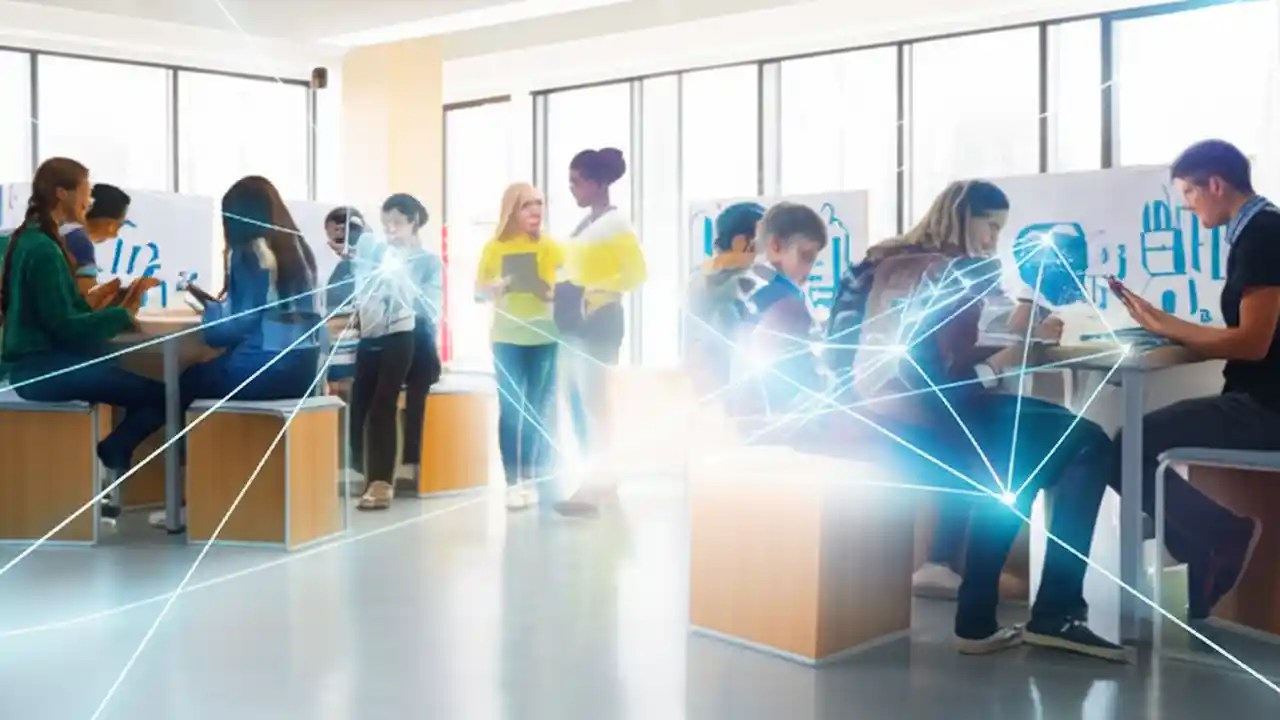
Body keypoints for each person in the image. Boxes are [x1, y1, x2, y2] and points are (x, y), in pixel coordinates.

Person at [821, 181, 1125, 661]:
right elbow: (936, 378)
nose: (992, 240)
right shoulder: (954, 271)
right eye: (991, 227)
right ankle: (1049, 613)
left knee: (1025, 454)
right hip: (924, 421)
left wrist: (1002, 345)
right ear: (964, 217)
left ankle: (984, 620)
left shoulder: (879, 261)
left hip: (864, 416)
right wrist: (1005, 358)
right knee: (1085, 441)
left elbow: (871, 354)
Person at [1112, 139, 1268, 620]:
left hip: (1265, 407)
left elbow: (1252, 343)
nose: (1186, 205)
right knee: (1135, 445)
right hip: (1261, 400)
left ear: (1215, 185)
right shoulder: (1260, 230)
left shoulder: (1264, 234)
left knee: (1124, 447)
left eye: (1189, 193)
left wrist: (1168, 327)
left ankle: (1222, 535)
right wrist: (1164, 325)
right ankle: (1207, 549)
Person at [0, 158, 164, 518]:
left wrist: (114, 305)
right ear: (62, 193)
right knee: (163, 395)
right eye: (86, 193)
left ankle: (114, 456)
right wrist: (122, 314)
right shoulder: (44, 249)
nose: (89, 203)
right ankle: (113, 451)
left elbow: (66, 312)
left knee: (130, 379)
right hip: (40, 370)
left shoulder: (36, 240)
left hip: (39, 364)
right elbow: (65, 326)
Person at [553, 148, 647, 518]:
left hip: (599, 319)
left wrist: (594, 289)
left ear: (597, 183)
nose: (572, 188)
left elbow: (636, 274)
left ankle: (599, 480)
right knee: (580, 401)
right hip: (574, 321)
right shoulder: (587, 224)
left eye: (577, 181)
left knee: (595, 404)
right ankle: (596, 476)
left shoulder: (616, 225)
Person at [347, 193, 443, 510]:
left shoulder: (428, 262)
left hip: (415, 342)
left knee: (382, 402)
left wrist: (402, 289)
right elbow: (363, 296)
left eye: (397, 223)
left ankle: (381, 481)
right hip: (380, 338)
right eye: (386, 222)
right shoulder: (378, 254)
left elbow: (430, 311)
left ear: (413, 222)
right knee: (360, 395)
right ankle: (364, 470)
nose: (390, 229)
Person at [476, 182, 561, 511]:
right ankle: (513, 483)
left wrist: (549, 292)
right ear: (512, 210)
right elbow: (477, 292)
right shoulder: (494, 248)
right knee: (512, 410)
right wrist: (496, 287)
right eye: (527, 204)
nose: (536, 210)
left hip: (545, 337)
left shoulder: (551, 247)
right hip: (507, 339)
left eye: (539, 203)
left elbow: (568, 288)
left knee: (537, 411)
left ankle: (532, 478)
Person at [682, 201, 766, 398]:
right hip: (716, 378)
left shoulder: (711, 273)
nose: (765, 250)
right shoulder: (708, 278)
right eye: (763, 240)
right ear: (740, 242)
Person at [322, 206, 366, 394]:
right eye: (331, 237)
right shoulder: (337, 267)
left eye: (339, 237)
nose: (332, 244)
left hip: (356, 352)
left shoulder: (368, 266)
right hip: (335, 351)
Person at [61, 183, 131, 295]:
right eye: (119, 225)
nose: (115, 235)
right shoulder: (81, 243)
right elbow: (88, 297)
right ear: (110, 223)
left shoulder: (58, 229)